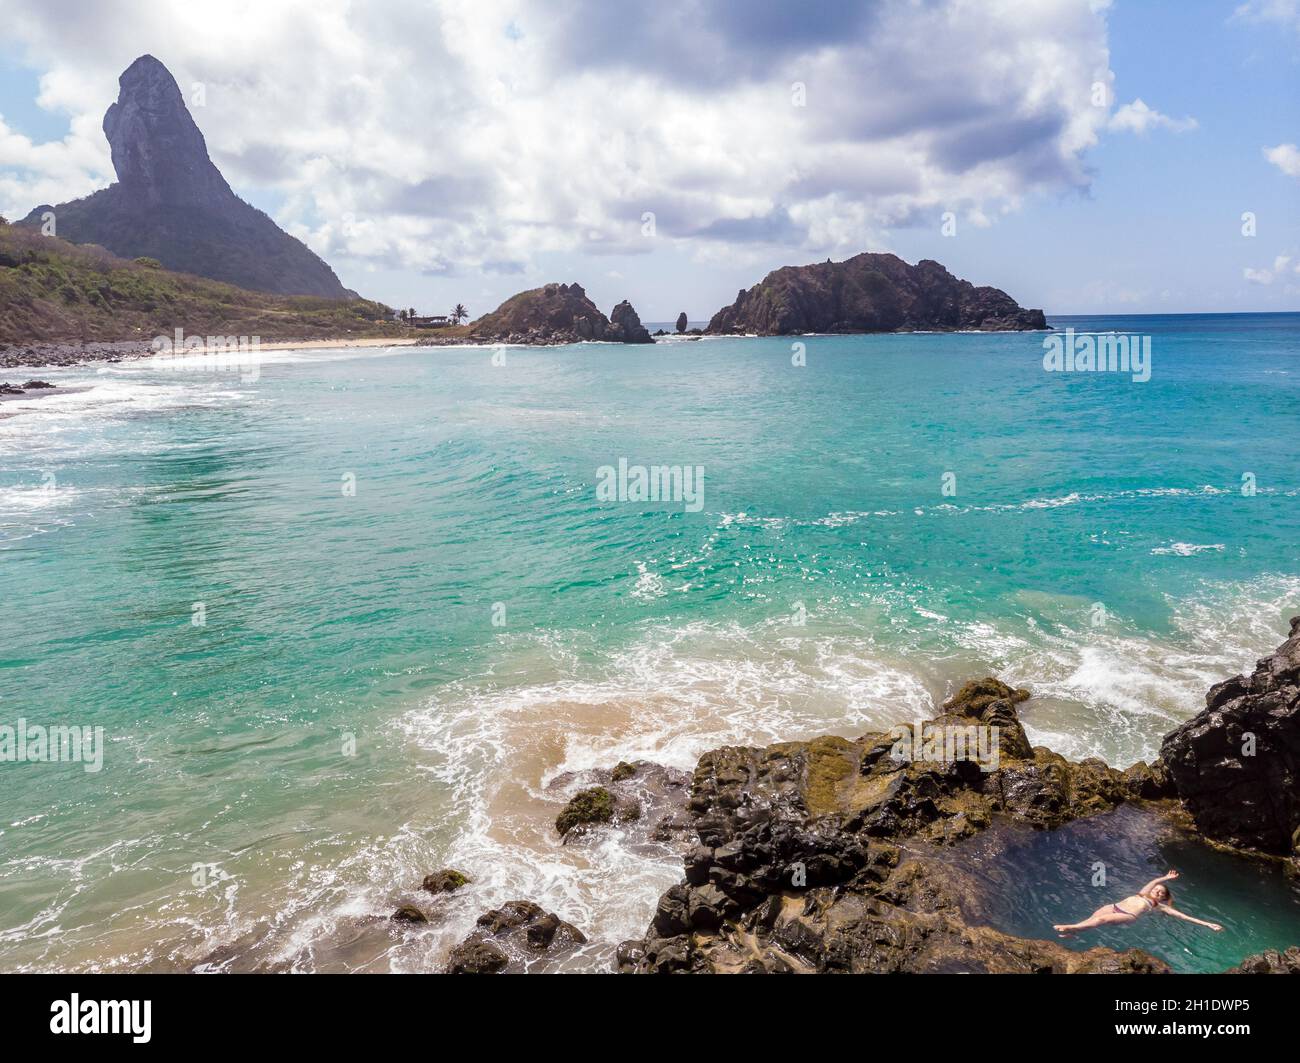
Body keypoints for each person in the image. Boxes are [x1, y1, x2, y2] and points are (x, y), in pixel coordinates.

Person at [1053, 870, 1223, 936]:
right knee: (1093, 918)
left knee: (1100, 921)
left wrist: (1207, 924)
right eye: (1156, 889)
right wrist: (1165, 878)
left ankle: (1071, 927)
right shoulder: (1142, 893)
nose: (1157, 891)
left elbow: (1182, 916)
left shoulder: (1159, 906)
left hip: (1128, 915)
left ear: (1163, 898)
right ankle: (1074, 932)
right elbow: (1153, 881)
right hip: (1114, 906)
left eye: (1161, 892)